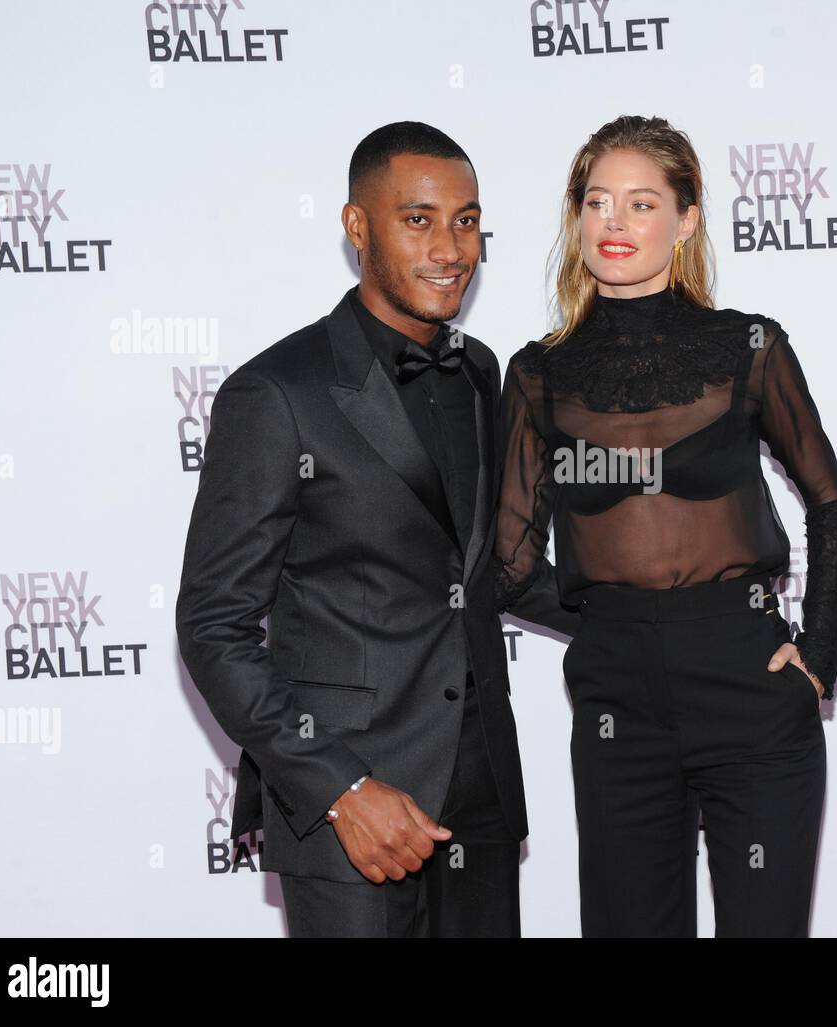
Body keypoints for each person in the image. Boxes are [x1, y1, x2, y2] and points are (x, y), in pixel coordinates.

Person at [175, 121, 578, 938]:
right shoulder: (278, 393)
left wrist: (676, 616)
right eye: (419, 219)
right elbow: (213, 626)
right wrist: (340, 789)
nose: (451, 247)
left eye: (467, 221)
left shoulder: (478, 370)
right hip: (351, 815)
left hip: (482, 799)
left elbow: (500, 565)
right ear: (358, 228)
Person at [491, 114, 837, 937]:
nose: (614, 223)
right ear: (575, 217)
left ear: (686, 220)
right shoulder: (539, 375)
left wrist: (820, 654)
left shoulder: (747, 347)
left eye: (641, 202)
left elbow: (830, 501)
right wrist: (614, 616)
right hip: (620, 700)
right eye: (596, 202)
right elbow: (506, 564)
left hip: (749, 682)